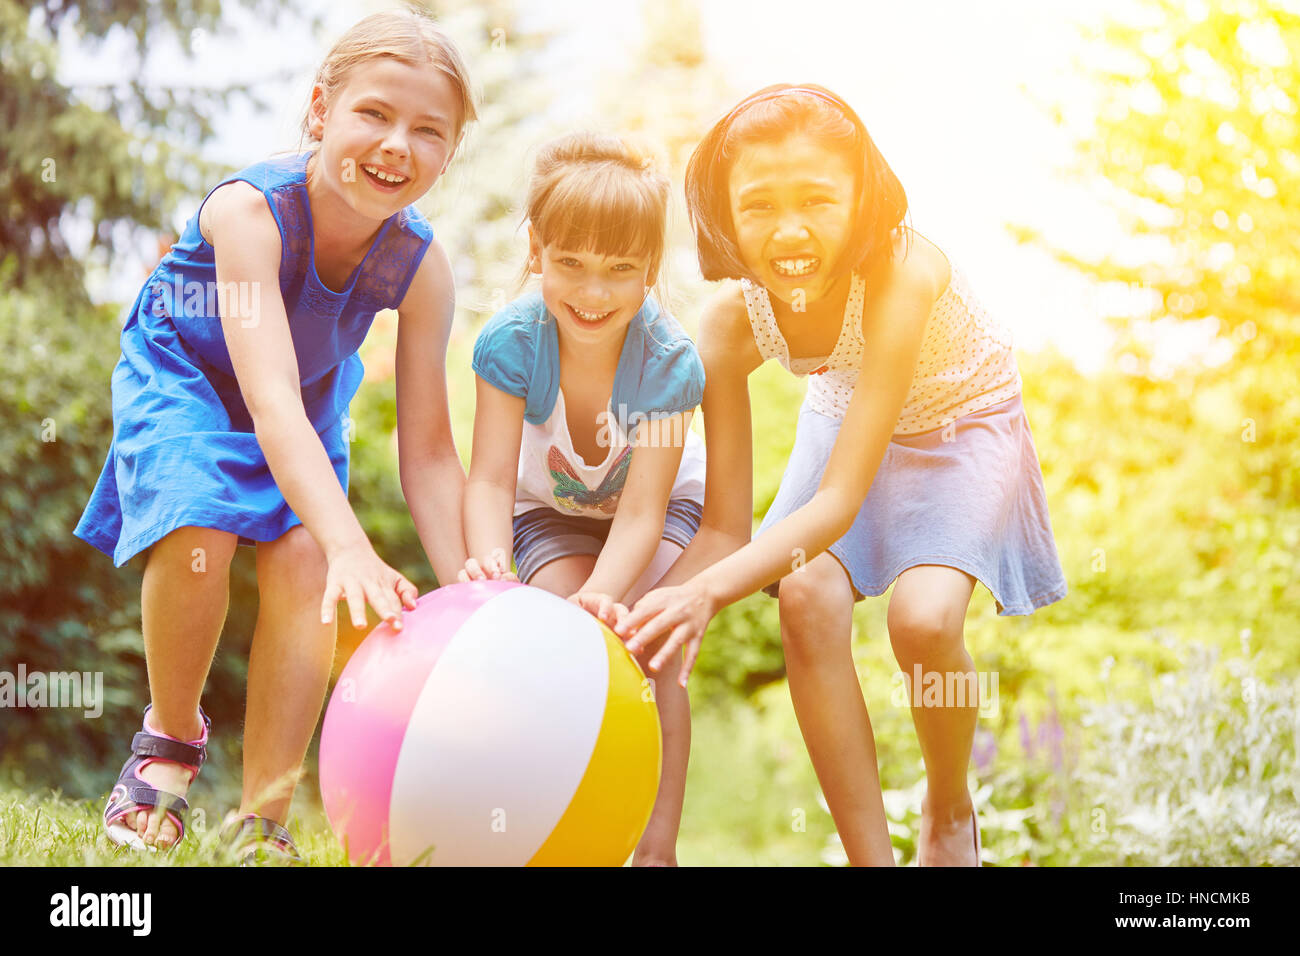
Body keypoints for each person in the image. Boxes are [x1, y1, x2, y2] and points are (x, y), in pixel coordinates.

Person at [616, 84, 1067, 867]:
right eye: (757, 206)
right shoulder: (728, 324)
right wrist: (650, 607)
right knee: (804, 593)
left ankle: (949, 811)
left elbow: (837, 501)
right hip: (846, 413)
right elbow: (725, 527)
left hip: (963, 419)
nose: (789, 230)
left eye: (817, 199)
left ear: (862, 199)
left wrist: (706, 592)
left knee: (924, 622)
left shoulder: (902, 271)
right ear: (724, 214)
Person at [74, 9, 476, 862]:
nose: (397, 143)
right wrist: (355, 542)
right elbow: (266, 398)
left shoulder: (422, 267)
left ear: (449, 154)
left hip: (305, 398)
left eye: (427, 130)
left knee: (306, 563)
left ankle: (262, 816)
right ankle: (169, 747)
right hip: (191, 379)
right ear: (321, 111)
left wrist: (467, 596)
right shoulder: (250, 212)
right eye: (374, 113)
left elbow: (433, 453)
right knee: (198, 527)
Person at [461, 132, 706, 866]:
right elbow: (491, 480)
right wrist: (492, 567)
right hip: (549, 512)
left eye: (619, 270)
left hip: (656, 512)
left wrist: (605, 596)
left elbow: (642, 512)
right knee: (559, 649)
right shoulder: (511, 342)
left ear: (649, 272)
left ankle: (656, 850)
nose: (593, 294)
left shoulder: (668, 364)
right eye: (571, 263)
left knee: (646, 652)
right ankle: (555, 837)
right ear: (537, 250)